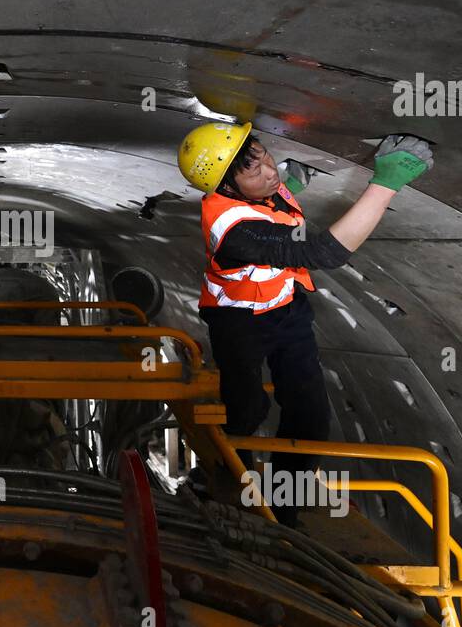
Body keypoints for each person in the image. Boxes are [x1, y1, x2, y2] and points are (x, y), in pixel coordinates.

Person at [177, 122, 434, 525]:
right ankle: (233, 476)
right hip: (237, 322)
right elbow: (323, 253)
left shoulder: (258, 188)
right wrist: (387, 181)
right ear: (227, 189)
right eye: (254, 172)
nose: (269, 172)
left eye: (263, 155)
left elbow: (275, 205)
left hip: (286, 311)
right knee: (246, 409)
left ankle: (285, 506)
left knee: (310, 415)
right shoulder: (237, 234)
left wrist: (290, 184)